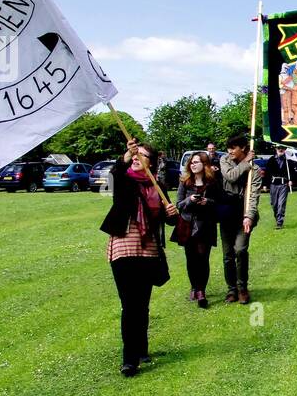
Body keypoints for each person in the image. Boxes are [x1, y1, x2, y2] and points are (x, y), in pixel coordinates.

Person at [100, 139, 179, 377]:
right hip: (123, 247)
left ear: (152, 163)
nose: (136, 157)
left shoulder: (158, 186)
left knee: (142, 304)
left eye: (141, 155)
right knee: (129, 305)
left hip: (148, 249)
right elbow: (116, 172)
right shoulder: (124, 180)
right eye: (134, 155)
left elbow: (169, 221)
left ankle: (142, 349)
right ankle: (129, 359)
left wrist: (173, 214)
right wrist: (126, 155)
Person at [218, 135, 264, 304]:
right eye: (228, 147)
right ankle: (231, 289)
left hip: (243, 215)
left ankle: (242, 287)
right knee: (228, 254)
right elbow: (230, 176)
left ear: (243, 148)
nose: (229, 151)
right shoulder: (224, 160)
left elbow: (253, 196)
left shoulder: (256, 171)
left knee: (240, 250)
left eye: (233, 148)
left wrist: (249, 216)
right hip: (226, 213)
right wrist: (245, 163)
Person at [175, 151, 220, 309]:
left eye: (196, 162)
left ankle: (201, 290)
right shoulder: (184, 181)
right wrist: (190, 200)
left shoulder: (212, 182)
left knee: (203, 257)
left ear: (204, 164)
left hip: (205, 225)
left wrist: (207, 202)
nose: (193, 164)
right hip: (187, 224)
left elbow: (217, 203)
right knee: (191, 258)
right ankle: (194, 286)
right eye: (191, 162)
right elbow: (178, 205)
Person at [262, 148, 291, 229]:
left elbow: (291, 171)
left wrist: (291, 180)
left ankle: (279, 222)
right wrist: (265, 184)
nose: (280, 150)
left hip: (283, 185)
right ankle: (277, 218)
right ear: (276, 149)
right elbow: (267, 172)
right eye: (279, 148)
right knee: (274, 204)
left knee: (281, 204)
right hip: (273, 185)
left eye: (282, 148)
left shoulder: (287, 160)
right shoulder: (271, 159)